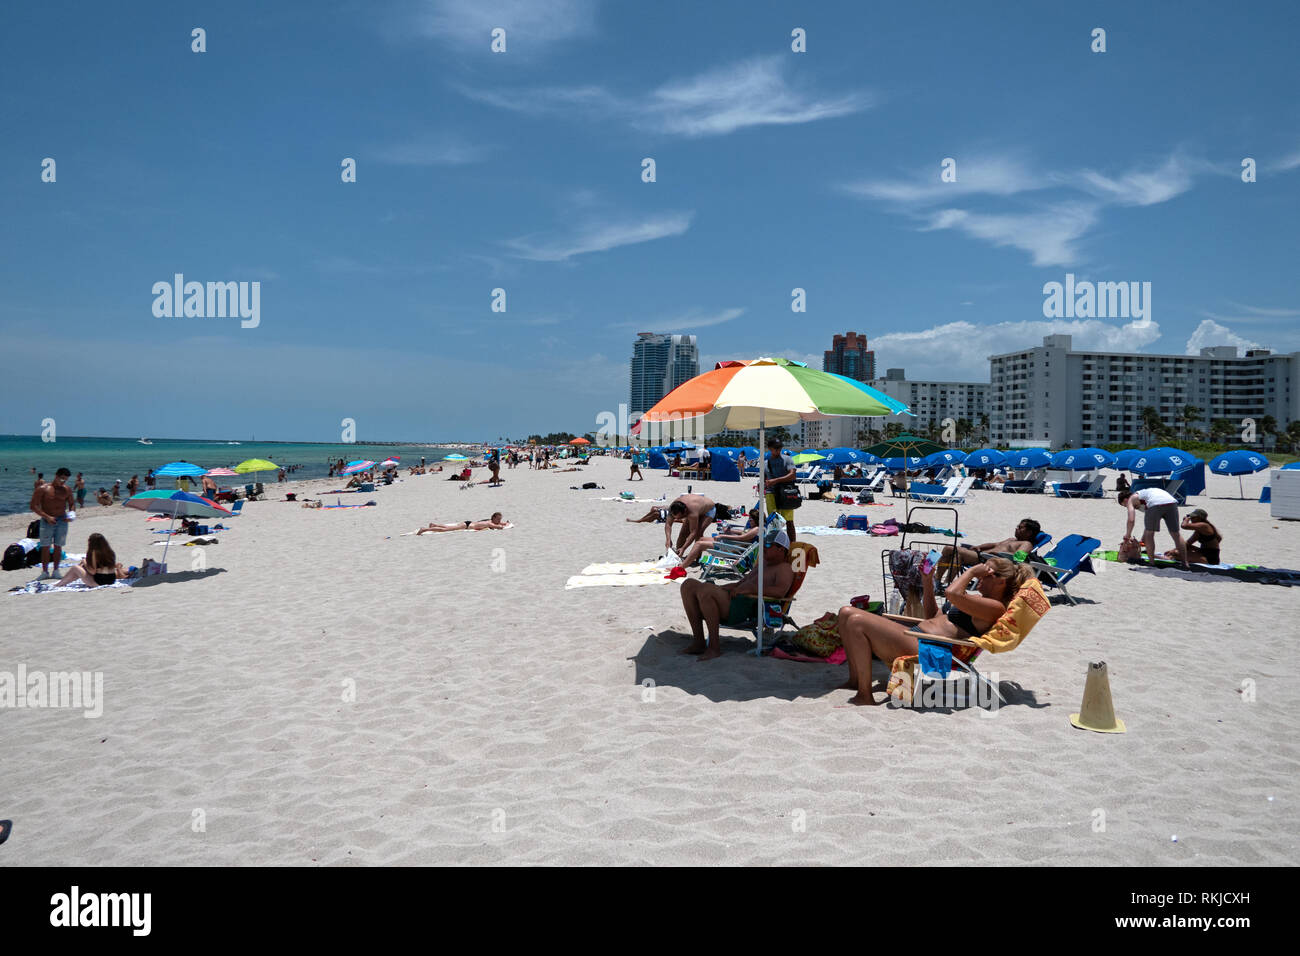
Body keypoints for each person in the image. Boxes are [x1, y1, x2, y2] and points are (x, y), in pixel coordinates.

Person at [836, 556, 1033, 705]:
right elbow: (933, 616)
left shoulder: (995, 607)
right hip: (917, 635)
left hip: (926, 647)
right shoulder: (977, 600)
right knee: (845, 613)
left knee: (856, 621)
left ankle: (865, 695)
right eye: (980, 574)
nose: (979, 579)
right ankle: (855, 680)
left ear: (1001, 581)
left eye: (986, 575)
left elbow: (951, 593)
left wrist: (971, 572)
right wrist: (927, 581)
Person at [678, 526, 795, 660]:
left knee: (706, 590)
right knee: (688, 585)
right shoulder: (763, 564)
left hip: (745, 609)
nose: (763, 547)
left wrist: (751, 589)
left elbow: (780, 592)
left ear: (781, 549)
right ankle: (699, 642)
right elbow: (741, 583)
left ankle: (714, 648)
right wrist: (725, 588)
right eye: (763, 544)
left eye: (768, 545)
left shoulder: (784, 568)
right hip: (734, 599)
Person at [939, 518, 1042, 581]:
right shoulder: (1012, 539)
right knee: (957, 555)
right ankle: (942, 583)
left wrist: (997, 554)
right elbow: (994, 544)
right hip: (982, 555)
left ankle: (939, 581)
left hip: (989, 560)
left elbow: (1016, 558)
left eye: (1020, 528)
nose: (1016, 529)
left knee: (949, 549)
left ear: (1029, 533)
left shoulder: (1027, 544)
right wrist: (979, 546)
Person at [1118, 487, 1189, 570]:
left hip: (1156, 504)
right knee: (1176, 534)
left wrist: (1128, 534)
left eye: (1125, 505)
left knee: (1150, 535)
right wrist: (1143, 538)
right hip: (1172, 502)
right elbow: (1148, 525)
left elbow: (1131, 520)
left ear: (1126, 500)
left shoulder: (1131, 499)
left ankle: (1151, 563)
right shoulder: (1144, 497)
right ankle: (1185, 563)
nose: (1126, 507)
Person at [30, 467, 75, 579]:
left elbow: (71, 503)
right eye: (62, 479)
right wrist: (47, 516)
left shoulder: (66, 489)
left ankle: (56, 570)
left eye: (65, 480)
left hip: (62, 520)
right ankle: (45, 571)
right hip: (47, 520)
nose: (63, 482)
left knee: (58, 546)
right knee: (45, 546)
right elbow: (33, 505)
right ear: (56, 476)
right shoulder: (43, 489)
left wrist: (71, 514)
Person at [680, 508, 761, 567]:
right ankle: (693, 559)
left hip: (732, 549)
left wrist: (723, 535)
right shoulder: (752, 528)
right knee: (701, 539)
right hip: (732, 545)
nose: (749, 520)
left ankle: (682, 567)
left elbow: (741, 538)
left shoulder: (756, 529)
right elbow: (741, 532)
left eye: (751, 519)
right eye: (749, 518)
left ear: (757, 520)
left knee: (699, 544)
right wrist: (729, 530)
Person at [57, 533, 127, 587]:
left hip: (100, 582)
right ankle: (63, 582)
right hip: (111, 580)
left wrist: (85, 562)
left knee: (75, 568)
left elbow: (93, 571)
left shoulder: (94, 553)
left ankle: (60, 584)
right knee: (80, 567)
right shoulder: (110, 552)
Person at [762, 437, 797, 541]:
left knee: (789, 521)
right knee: (773, 521)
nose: (778, 450)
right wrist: (764, 484)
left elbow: (793, 475)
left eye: (779, 448)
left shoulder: (787, 459)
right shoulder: (765, 463)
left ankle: (792, 544)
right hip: (771, 494)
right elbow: (764, 478)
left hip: (786, 494)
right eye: (775, 448)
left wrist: (775, 481)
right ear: (769, 448)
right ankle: (776, 543)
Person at [415, 512, 509, 534]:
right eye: (498, 519)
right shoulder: (490, 523)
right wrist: (504, 525)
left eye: (500, 519)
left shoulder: (490, 520)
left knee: (451, 526)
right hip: (467, 526)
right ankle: (425, 529)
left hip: (467, 523)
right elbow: (499, 527)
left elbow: (500, 524)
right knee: (446, 530)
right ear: (494, 518)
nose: (499, 521)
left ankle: (434, 525)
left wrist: (504, 523)